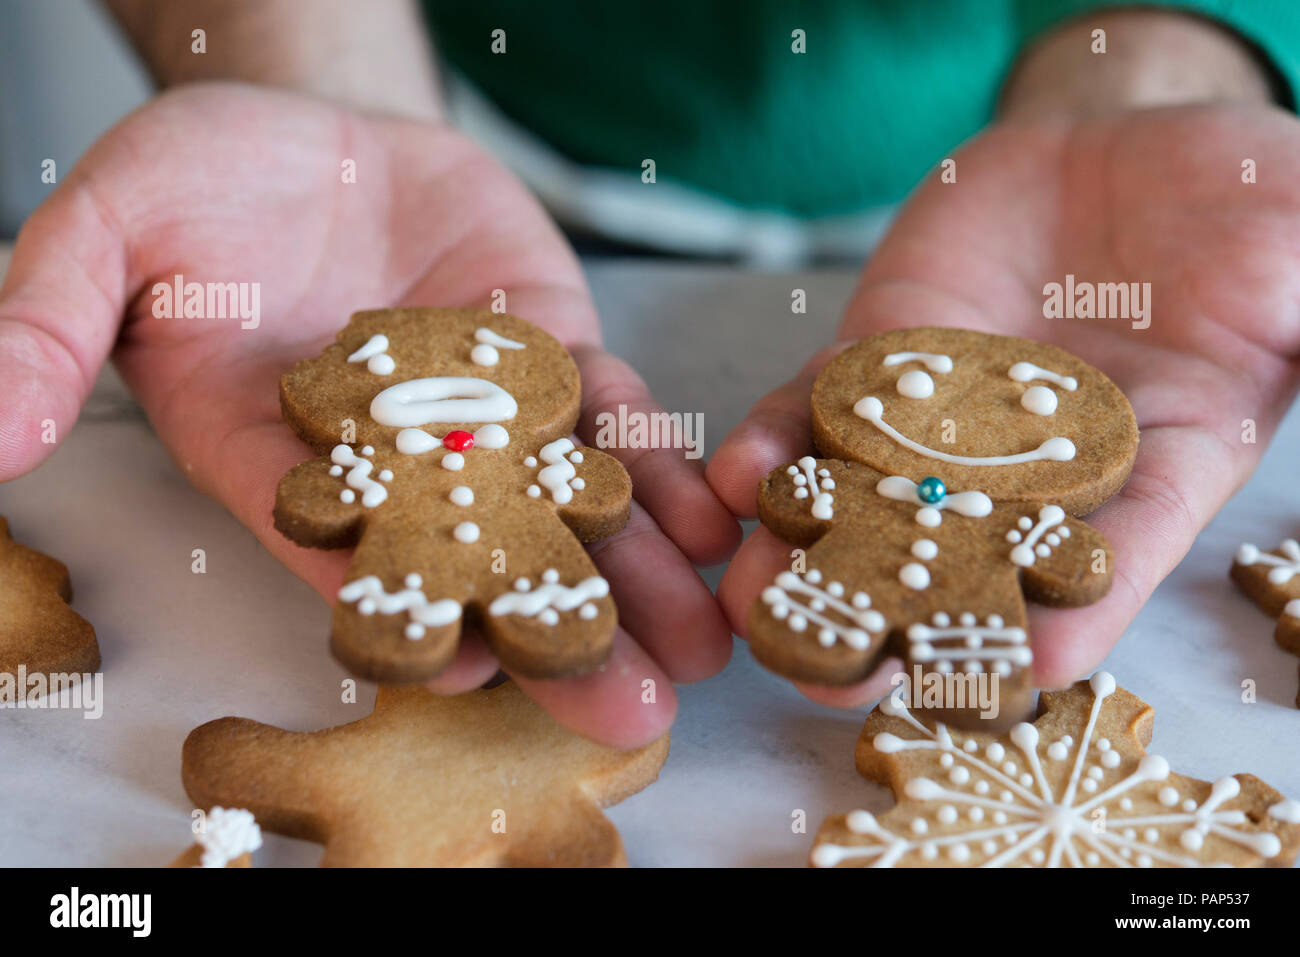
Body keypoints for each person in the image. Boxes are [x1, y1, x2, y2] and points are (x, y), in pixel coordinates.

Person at [1, 1, 1296, 746]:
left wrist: (1158, 78)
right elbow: (347, 493)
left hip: (1042, 179)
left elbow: (1045, 555)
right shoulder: (421, 421)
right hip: (482, 158)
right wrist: (315, 80)